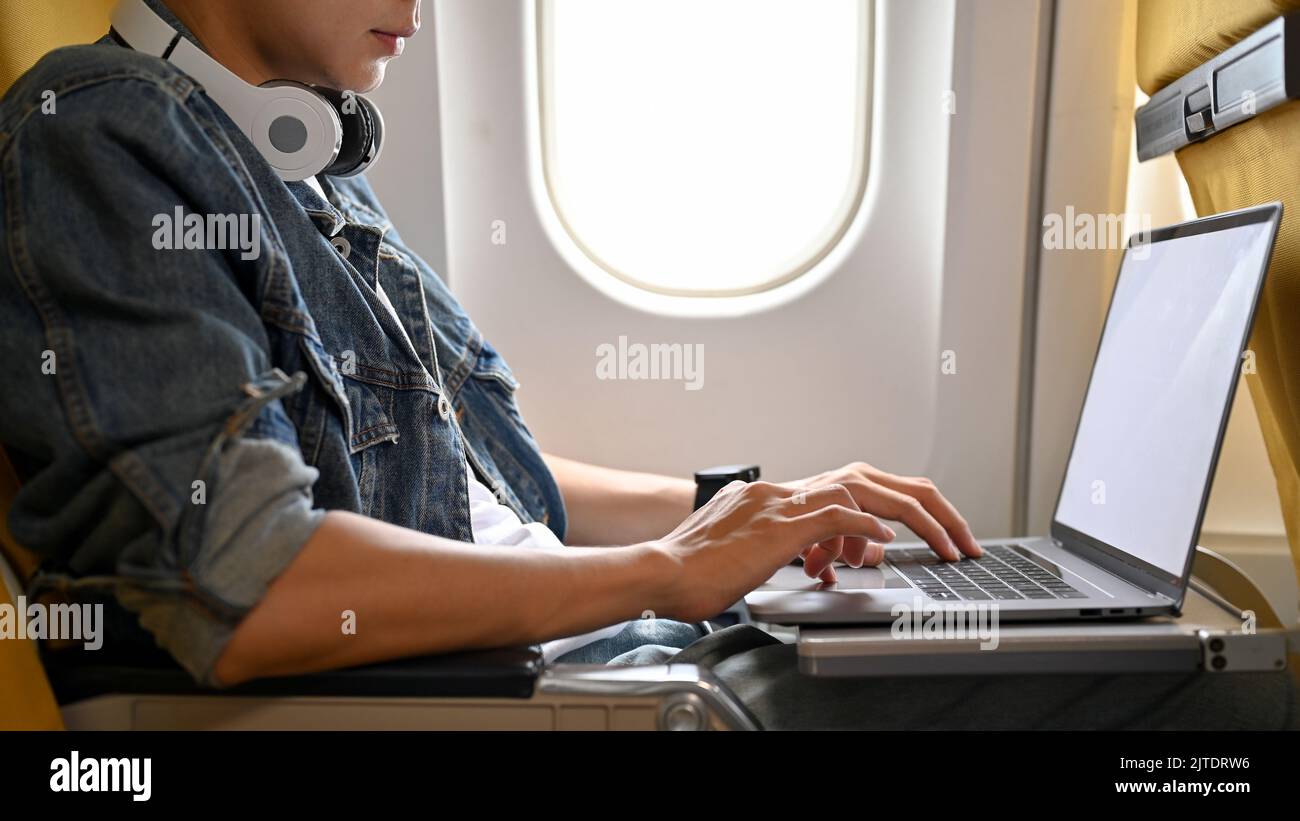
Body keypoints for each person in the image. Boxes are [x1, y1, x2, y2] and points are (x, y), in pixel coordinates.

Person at [0, 0, 980, 692]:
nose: (419, 8)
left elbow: (483, 492)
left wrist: (739, 506)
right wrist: (661, 569)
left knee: (1008, 645)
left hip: (596, 639)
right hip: (511, 684)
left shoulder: (300, 154)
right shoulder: (100, 137)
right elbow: (253, 580)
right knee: (1101, 694)